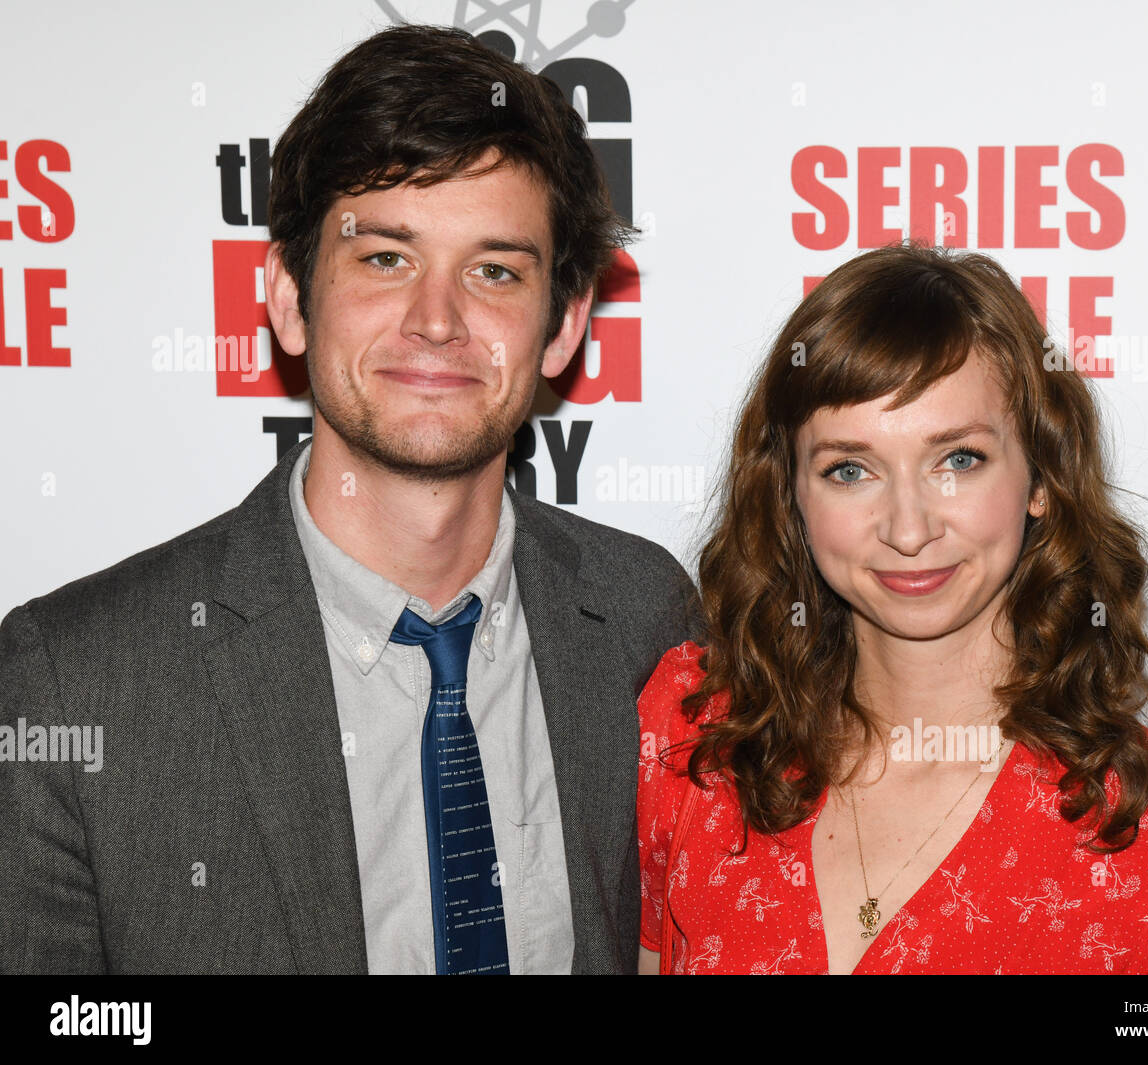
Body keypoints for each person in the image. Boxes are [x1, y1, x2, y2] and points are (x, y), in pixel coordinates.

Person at [0, 25, 699, 975]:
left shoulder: (644, 617)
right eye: (385, 258)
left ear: (565, 325)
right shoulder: (73, 681)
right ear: (289, 296)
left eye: (495, 269)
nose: (437, 319)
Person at [637, 242, 1148, 975]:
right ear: (789, 492)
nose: (909, 528)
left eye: (958, 459)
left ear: (1042, 477)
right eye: (849, 469)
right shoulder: (693, 743)